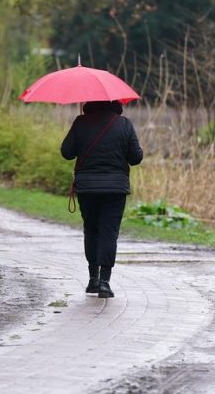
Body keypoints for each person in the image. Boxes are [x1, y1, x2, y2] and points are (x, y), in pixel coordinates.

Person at [61, 100, 143, 298]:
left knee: (92, 230)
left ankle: (92, 280)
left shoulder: (81, 122)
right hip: (115, 189)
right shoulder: (124, 124)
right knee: (109, 232)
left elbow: (66, 152)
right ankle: (105, 283)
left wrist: (82, 131)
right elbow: (136, 157)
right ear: (114, 102)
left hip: (87, 188)